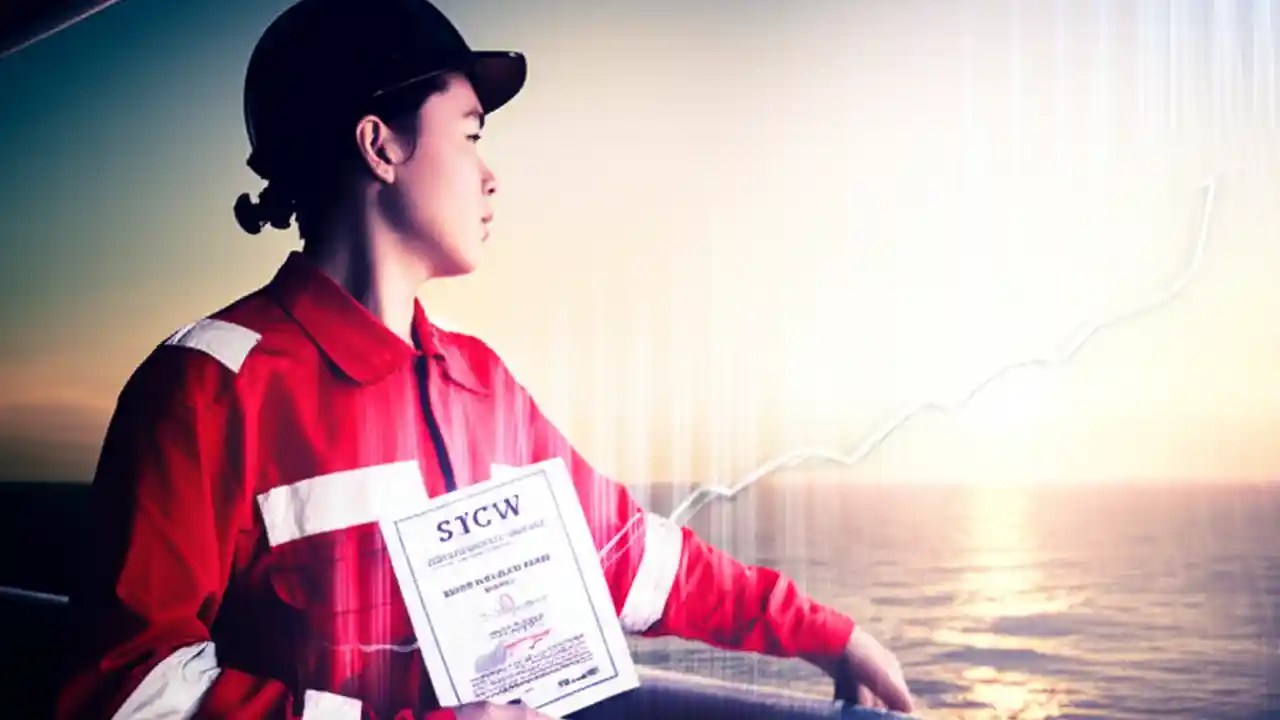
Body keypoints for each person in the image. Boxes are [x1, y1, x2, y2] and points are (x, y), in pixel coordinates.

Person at [55, 0, 915, 718]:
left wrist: (831, 636)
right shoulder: (205, 390)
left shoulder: (482, 383)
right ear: (379, 145)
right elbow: (129, 691)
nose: (491, 174)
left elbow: (637, 562)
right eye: (468, 134)